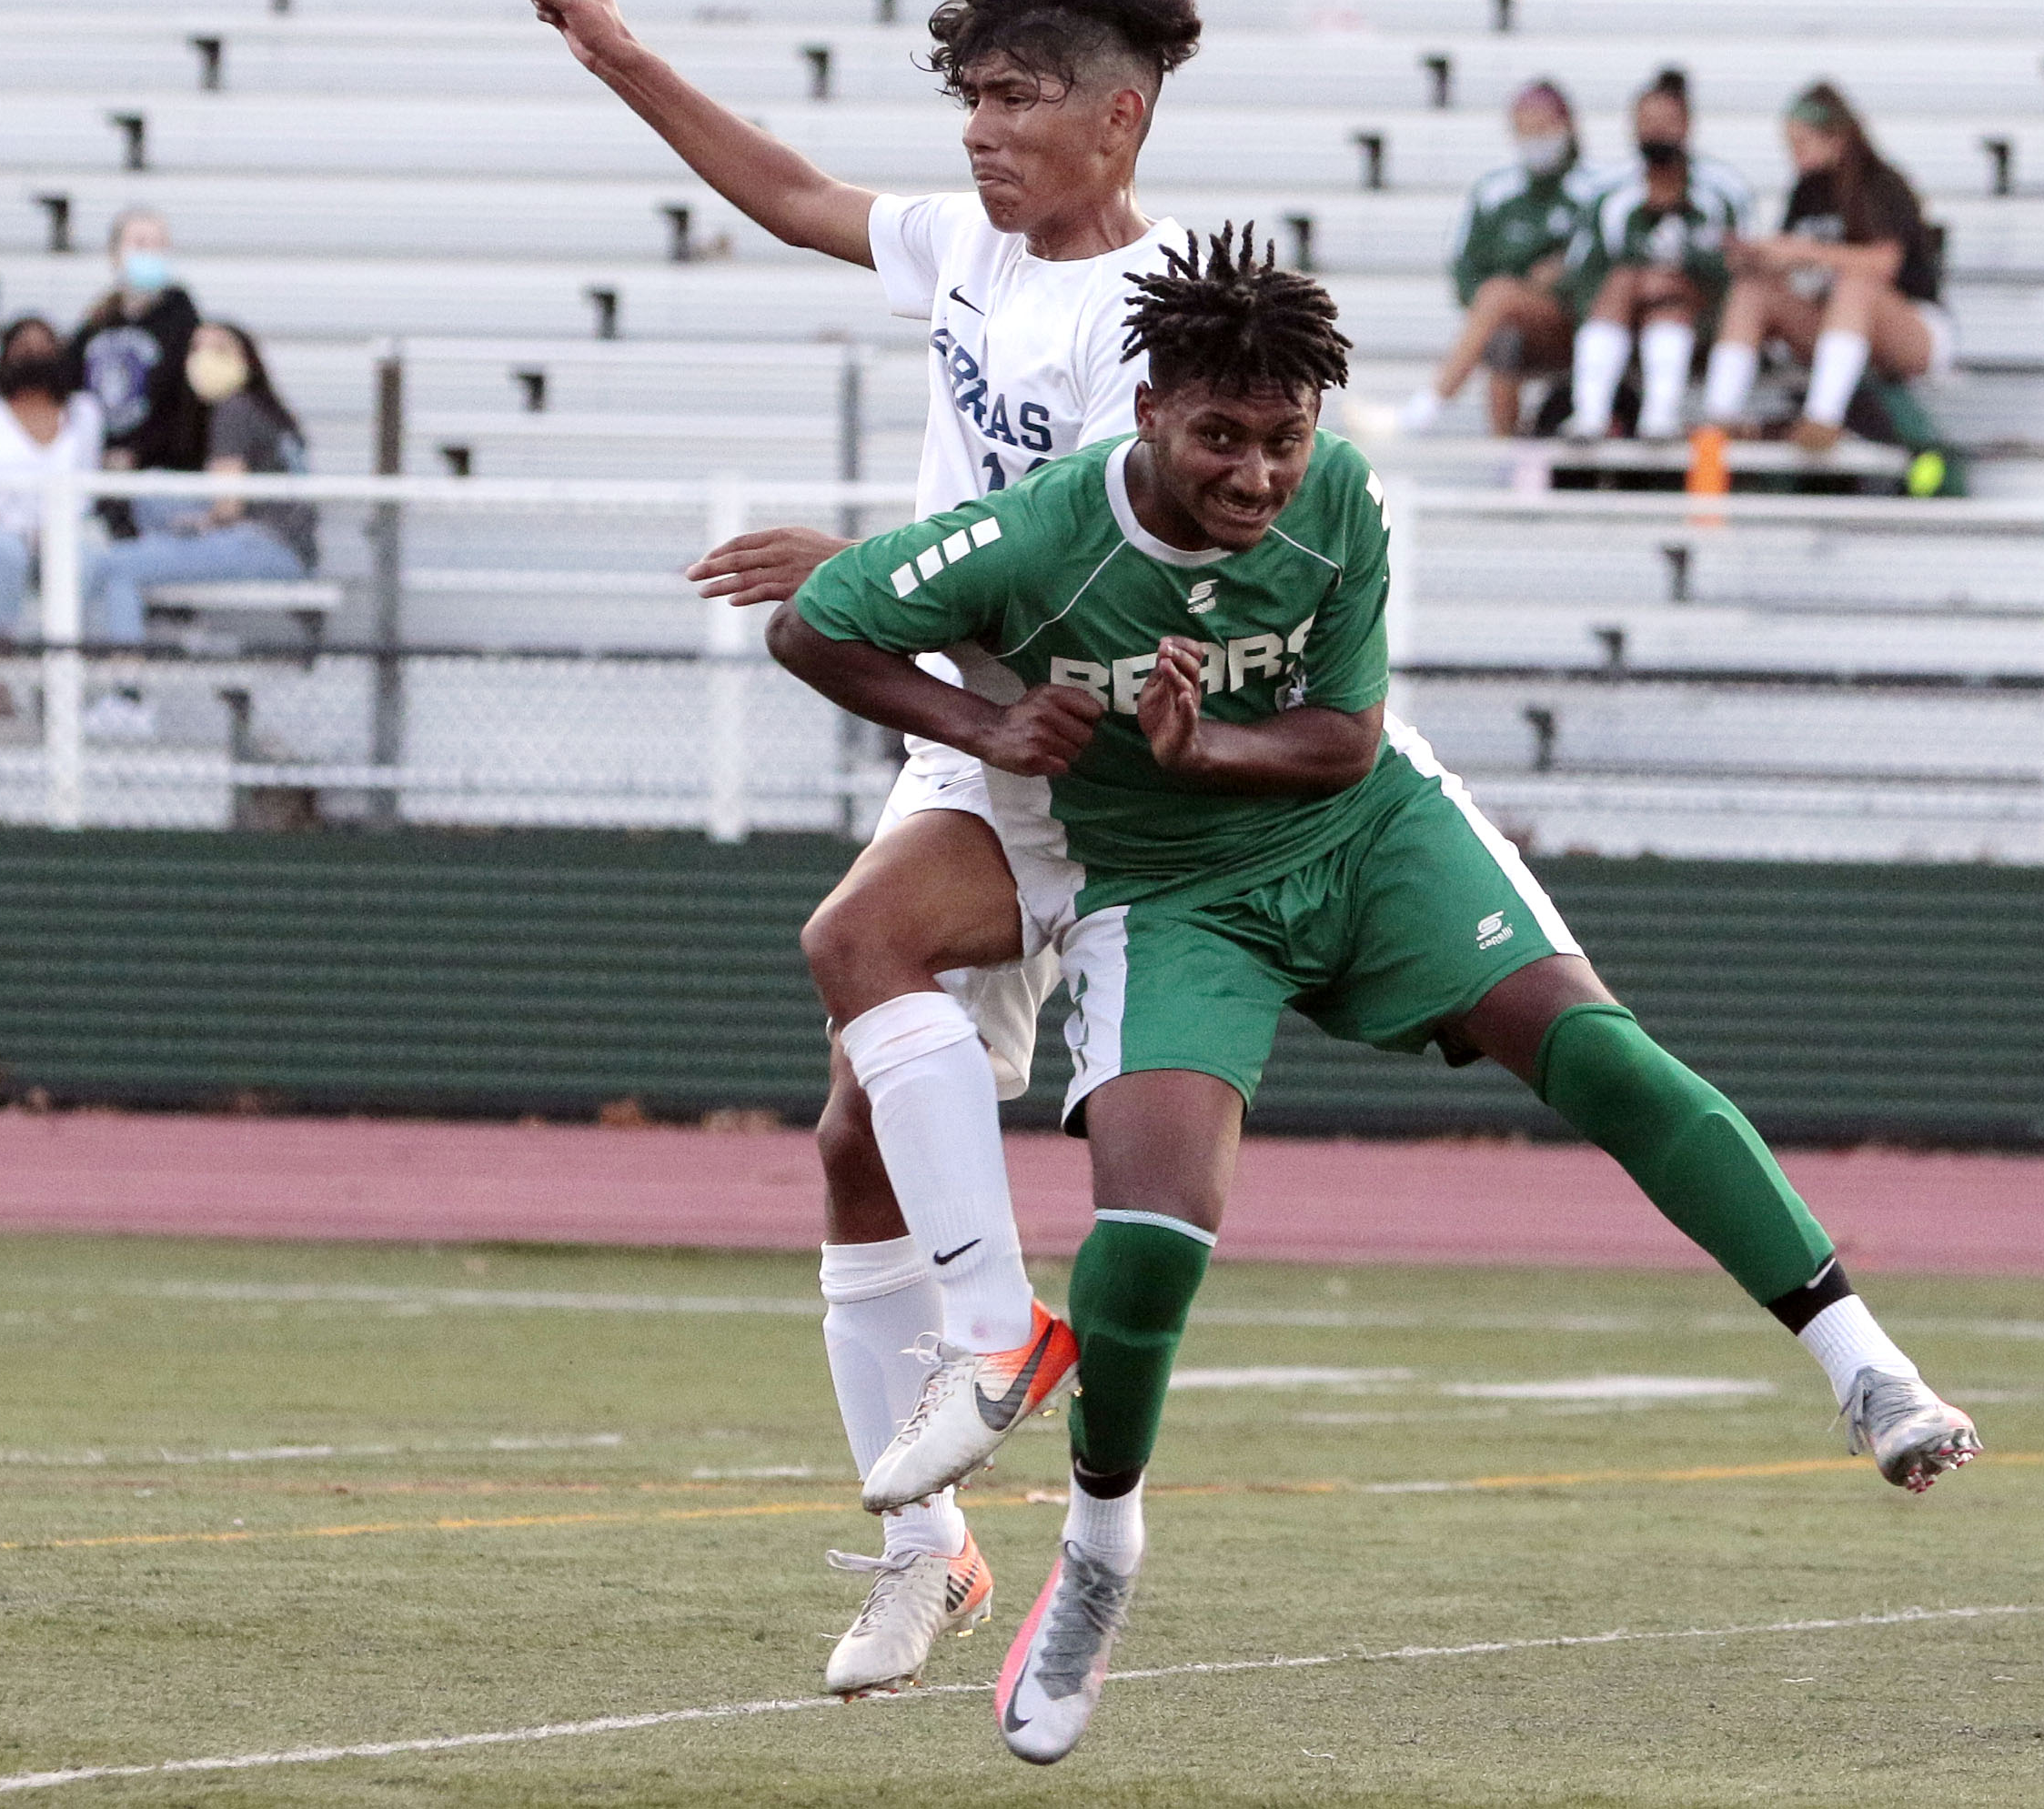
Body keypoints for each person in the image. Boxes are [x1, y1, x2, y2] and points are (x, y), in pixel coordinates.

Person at [772, 226, 1982, 1764]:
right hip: (1170, 890)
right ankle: (1099, 1548)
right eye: (1222, 436)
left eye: (1284, 438)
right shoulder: (1042, 532)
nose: (1258, 474)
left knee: (1600, 1053)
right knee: (1147, 1246)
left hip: (1367, 832)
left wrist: (1207, 743)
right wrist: (985, 729)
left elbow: (1345, 735)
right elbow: (815, 624)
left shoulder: (1340, 497)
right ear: (1143, 410)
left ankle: (1865, 1367)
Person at [532, 0, 1202, 1698]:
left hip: (1096, 755)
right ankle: (930, 1554)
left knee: (856, 939)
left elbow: (1099, 575)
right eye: (971, 95)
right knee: (849, 1140)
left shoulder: (1166, 315)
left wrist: (863, 572)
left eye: (1019, 97)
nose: (981, 130)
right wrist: (616, 50)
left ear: (1119, 120)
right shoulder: (977, 245)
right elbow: (792, 192)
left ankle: (999, 1336)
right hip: (971, 726)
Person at [1702, 84, 1951, 451]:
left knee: (1855, 285)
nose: (1794, 156)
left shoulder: (1881, 183)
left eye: (1802, 144)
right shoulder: (1806, 192)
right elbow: (1795, 267)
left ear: (1836, 139)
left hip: (1908, 326)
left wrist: (1804, 252)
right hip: (1834, 327)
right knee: (1753, 290)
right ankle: (1719, 416)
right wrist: (1761, 258)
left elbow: (1884, 263)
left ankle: (1823, 417)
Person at [82, 322, 314, 648]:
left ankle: (124, 688)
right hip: (281, 548)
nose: (205, 359)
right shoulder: (266, 412)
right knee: (150, 501)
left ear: (247, 360)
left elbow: (228, 508)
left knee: (118, 565)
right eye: (196, 349)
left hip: (264, 547)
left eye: (220, 349)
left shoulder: (235, 411)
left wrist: (198, 525)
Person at [1397, 79, 1599, 438]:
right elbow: (1465, 269)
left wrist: (1558, 279)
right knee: (1502, 328)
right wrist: (1511, 296)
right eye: (1525, 130)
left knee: (1499, 298)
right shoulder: (1495, 191)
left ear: (1566, 127)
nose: (1535, 139)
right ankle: (1507, 453)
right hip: (1512, 321)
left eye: (1543, 128)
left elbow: (1602, 262)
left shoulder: (1595, 191)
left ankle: (1429, 405)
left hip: (1579, 319)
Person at [1559, 68, 1752, 441]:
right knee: (1622, 280)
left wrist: (1679, 276)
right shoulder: (1608, 198)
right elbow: (1583, 273)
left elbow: (1738, 270)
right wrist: (1639, 281)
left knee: (1669, 297)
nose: (1656, 131)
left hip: (1701, 322)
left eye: (1667, 121)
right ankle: (1590, 413)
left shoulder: (1721, 193)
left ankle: (1660, 414)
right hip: (1619, 318)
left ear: (1687, 126)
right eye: (1646, 121)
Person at [0, 317, 102, 645]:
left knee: (82, 560)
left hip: (51, 532)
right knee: (8, 555)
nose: (34, 357)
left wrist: (47, 527)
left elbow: (86, 490)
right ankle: (0, 661)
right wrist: (4, 523)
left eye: (44, 348)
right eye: (24, 348)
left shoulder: (83, 411)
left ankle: (56, 671)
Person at [67, 208, 202, 536]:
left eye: (159, 244)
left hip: (158, 479)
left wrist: (139, 455)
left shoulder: (185, 325)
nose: (150, 252)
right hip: (97, 476)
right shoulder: (94, 326)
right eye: (140, 242)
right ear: (116, 255)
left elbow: (188, 410)